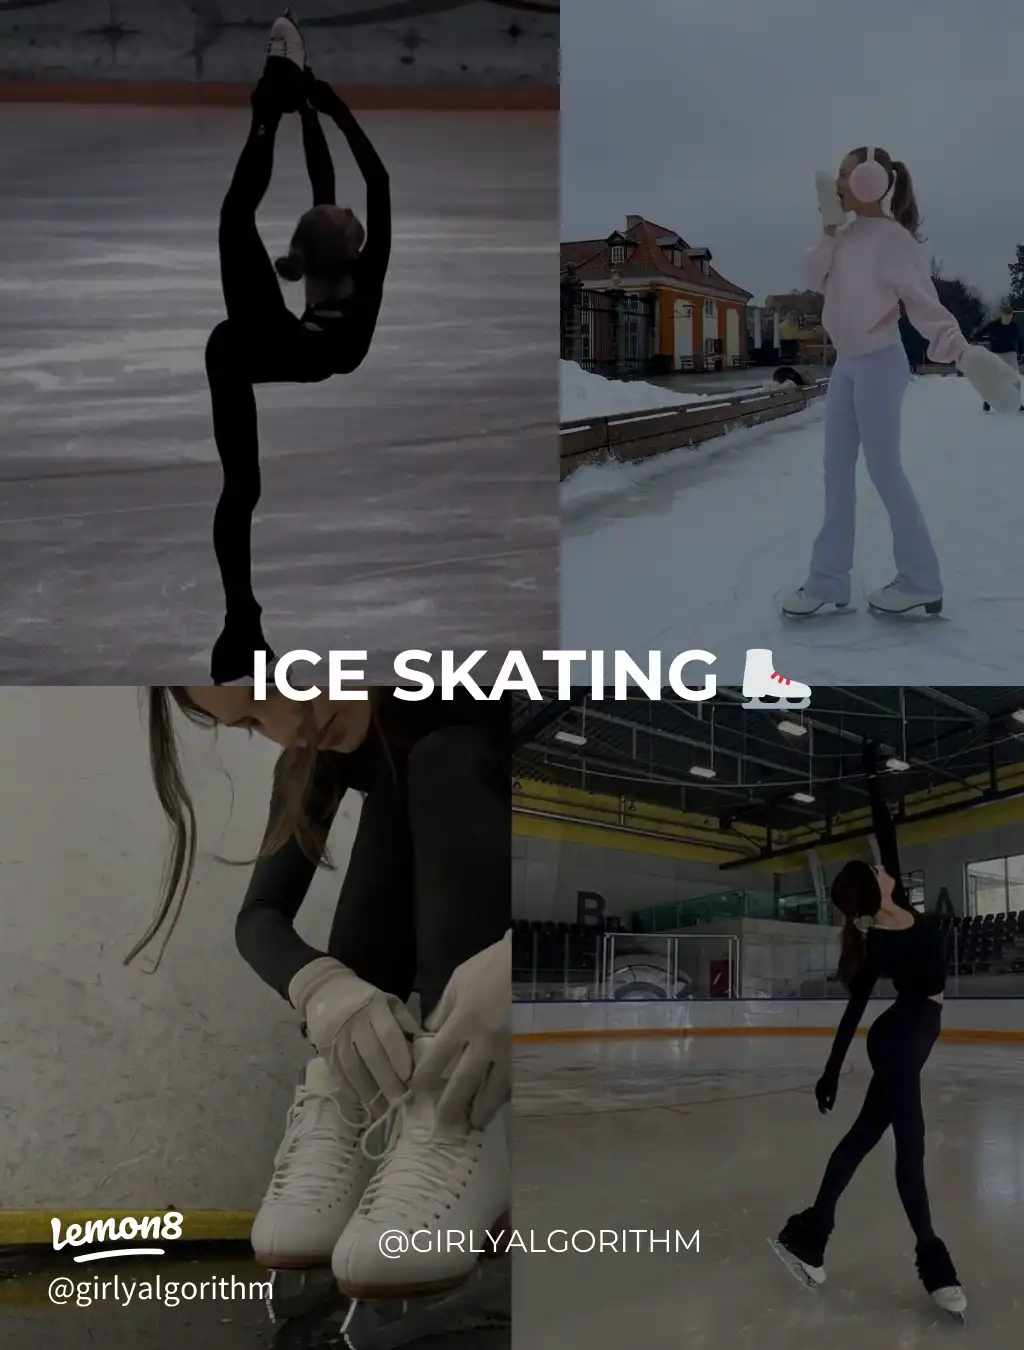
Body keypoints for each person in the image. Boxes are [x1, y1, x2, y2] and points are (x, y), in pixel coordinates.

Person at [134, 687, 509, 1299]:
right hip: (428, 829)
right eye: (251, 723)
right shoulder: (320, 749)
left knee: (446, 756)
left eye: (276, 690)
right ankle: (353, 1089)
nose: (287, 729)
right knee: (397, 793)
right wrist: (323, 989)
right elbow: (258, 916)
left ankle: (465, 1114)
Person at [207, 13, 392, 684]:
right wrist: (313, 110)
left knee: (242, 485)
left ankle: (272, 101)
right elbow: (337, 186)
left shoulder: (363, 269)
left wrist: (330, 107)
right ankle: (241, 622)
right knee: (241, 486)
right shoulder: (331, 247)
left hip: (301, 355)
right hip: (261, 347)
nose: (340, 211)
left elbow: (377, 184)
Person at [770, 740, 966, 1322]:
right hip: (902, 1037)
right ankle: (935, 1263)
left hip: (911, 1030)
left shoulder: (893, 899)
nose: (886, 868)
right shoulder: (878, 943)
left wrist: (871, 778)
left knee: (862, 1136)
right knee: (911, 1147)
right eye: (879, 872)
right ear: (874, 891)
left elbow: (886, 829)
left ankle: (809, 1237)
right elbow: (854, 1013)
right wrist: (829, 1071)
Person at [782, 147, 1019, 620]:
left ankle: (920, 580)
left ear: (869, 180)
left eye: (845, 174)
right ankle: (829, 579)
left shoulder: (892, 241)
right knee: (835, 471)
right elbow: (813, 275)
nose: (837, 183)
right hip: (848, 365)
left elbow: (921, 301)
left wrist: (959, 350)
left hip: (880, 363)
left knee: (884, 469)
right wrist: (829, 230)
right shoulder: (844, 236)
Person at [970, 306, 1024, 410]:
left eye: (1010, 318)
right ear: (1002, 316)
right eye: (1006, 318)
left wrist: (1021, 352)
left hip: (1010, 353)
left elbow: (1020, 339)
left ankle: (1017, 403)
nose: (1008, 320)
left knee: (1015, 379)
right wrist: (979, 339)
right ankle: (987, 401)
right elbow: (978, 334)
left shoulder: (1014, 326)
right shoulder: (994, 325)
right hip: (996, 354)